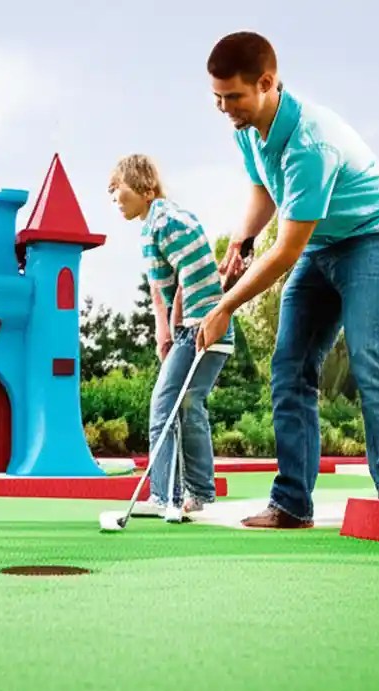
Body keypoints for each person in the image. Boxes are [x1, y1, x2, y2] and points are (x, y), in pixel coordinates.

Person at [195, 31, 379, 529]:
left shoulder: (310, 142)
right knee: (290, 365)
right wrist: (242, 238)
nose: (224, 108)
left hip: (372, 236)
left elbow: (286, 252)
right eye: (217, 97)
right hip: (322, 242)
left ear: (266, 83)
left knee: (370, 357)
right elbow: (263, 187)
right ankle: (291, 504)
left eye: (233, 96)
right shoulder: (247, 128)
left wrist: (225, 306)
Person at [109, 154, 233, 515]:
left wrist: (185, 328)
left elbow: (194, 275)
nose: (114, 197)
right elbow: (166, 287)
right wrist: (166, 331)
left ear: (146, 189)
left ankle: (165, 497)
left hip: (203, 326)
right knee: (189, 405)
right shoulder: (156, 225)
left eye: (118, 188)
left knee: (164, 407)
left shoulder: (166, 222)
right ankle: (199, 494)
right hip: (196, 327)